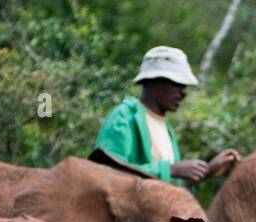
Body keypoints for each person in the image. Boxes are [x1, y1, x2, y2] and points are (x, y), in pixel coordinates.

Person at [92, 45, 240, 187]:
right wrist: (171, 169)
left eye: (185, 86)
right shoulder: (124, 117)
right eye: (177, 84)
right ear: (152, 81)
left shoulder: (165, 127)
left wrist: (206, 171)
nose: (184, 93)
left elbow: (165, 189)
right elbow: (107, 175)